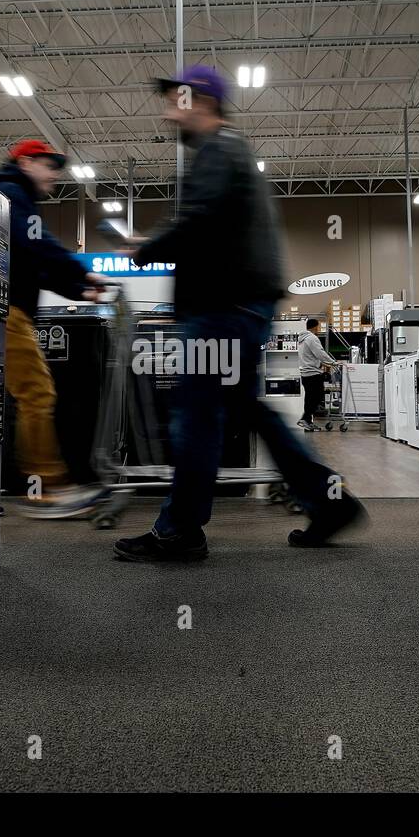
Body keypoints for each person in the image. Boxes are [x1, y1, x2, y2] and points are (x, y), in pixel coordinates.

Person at [112, 65, 366, 562]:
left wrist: (143, 250)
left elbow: (199, 221)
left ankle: (179, 530)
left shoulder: (220, 150)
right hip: (238, 305)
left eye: (175, 101)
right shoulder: (231, 152)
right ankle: (329, 500)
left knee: (196, 418)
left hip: (222, 308)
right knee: (248, 410)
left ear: (200, 101)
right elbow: (212, 229)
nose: (167, 112)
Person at [0, 139, 111, 519]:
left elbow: (36, 267)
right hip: (8, 312)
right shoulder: (12, 193)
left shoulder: (12, 196)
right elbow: (38, 242)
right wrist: (82, 271)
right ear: (25, 162)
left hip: (5, 310)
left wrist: (80, 290)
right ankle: (44, 487)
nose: (55, 173)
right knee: (38, 395)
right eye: (48, 164)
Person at [297, 318, 336, 431]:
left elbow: (311, 355)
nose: (318, 329)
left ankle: (307, 422)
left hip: (305, 373)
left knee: (309, 397)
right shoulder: (312, 338)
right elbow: (320, 353)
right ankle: (305, 419)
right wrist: (332, 362)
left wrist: (323, 363)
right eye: (318, 327)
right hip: (313, 373)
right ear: (315, 327)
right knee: (317, 396)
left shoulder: (302, 339)